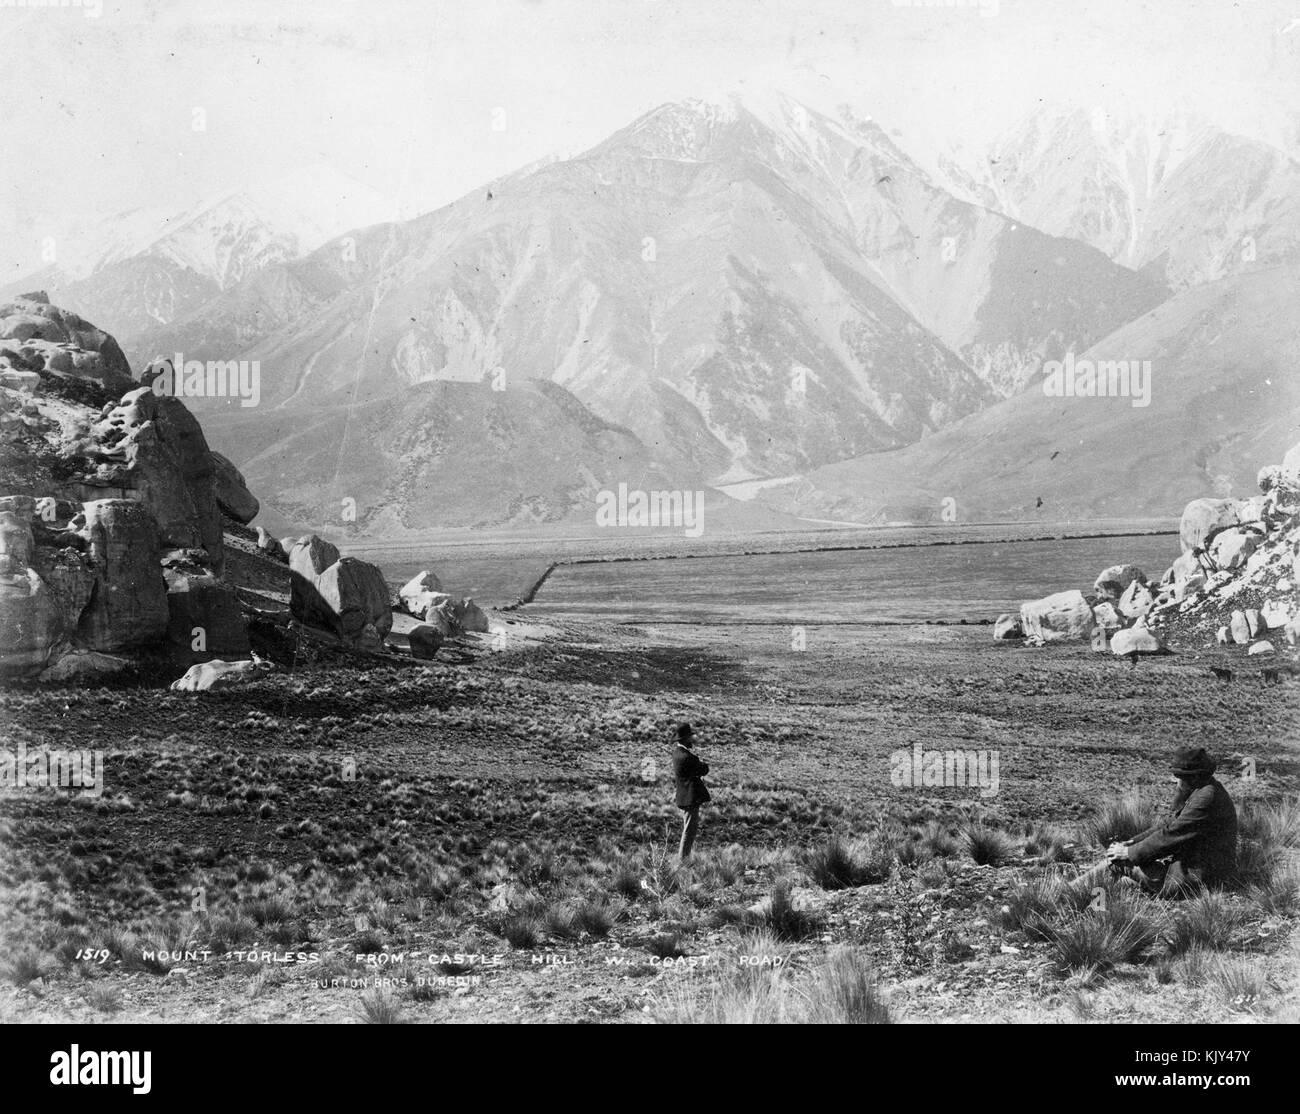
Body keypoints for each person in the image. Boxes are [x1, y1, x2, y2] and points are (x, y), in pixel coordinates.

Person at [1106, 746, 1238, 896]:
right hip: (1196, 872)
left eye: (1179, 777)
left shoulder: (1207, 797)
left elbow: (1171, 835)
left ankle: (1074, 891)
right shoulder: (1204, 790)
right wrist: (1132, 843)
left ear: (1192, 777)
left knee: (1114, 860)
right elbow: (1168, 824)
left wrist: (1128, 853)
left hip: (1197, 879)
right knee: (1123, 876)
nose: (1176, 782)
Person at [672, 723, 710, 862]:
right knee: (689, 830)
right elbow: (703, 769)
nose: (691, 739)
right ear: (685, 738)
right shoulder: (687, 757)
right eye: (690, 737)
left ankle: (683, 859)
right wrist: (702, 764)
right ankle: (683, 860)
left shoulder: (677, 754)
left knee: (688, 829)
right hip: (690, 798)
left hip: (684, 797)